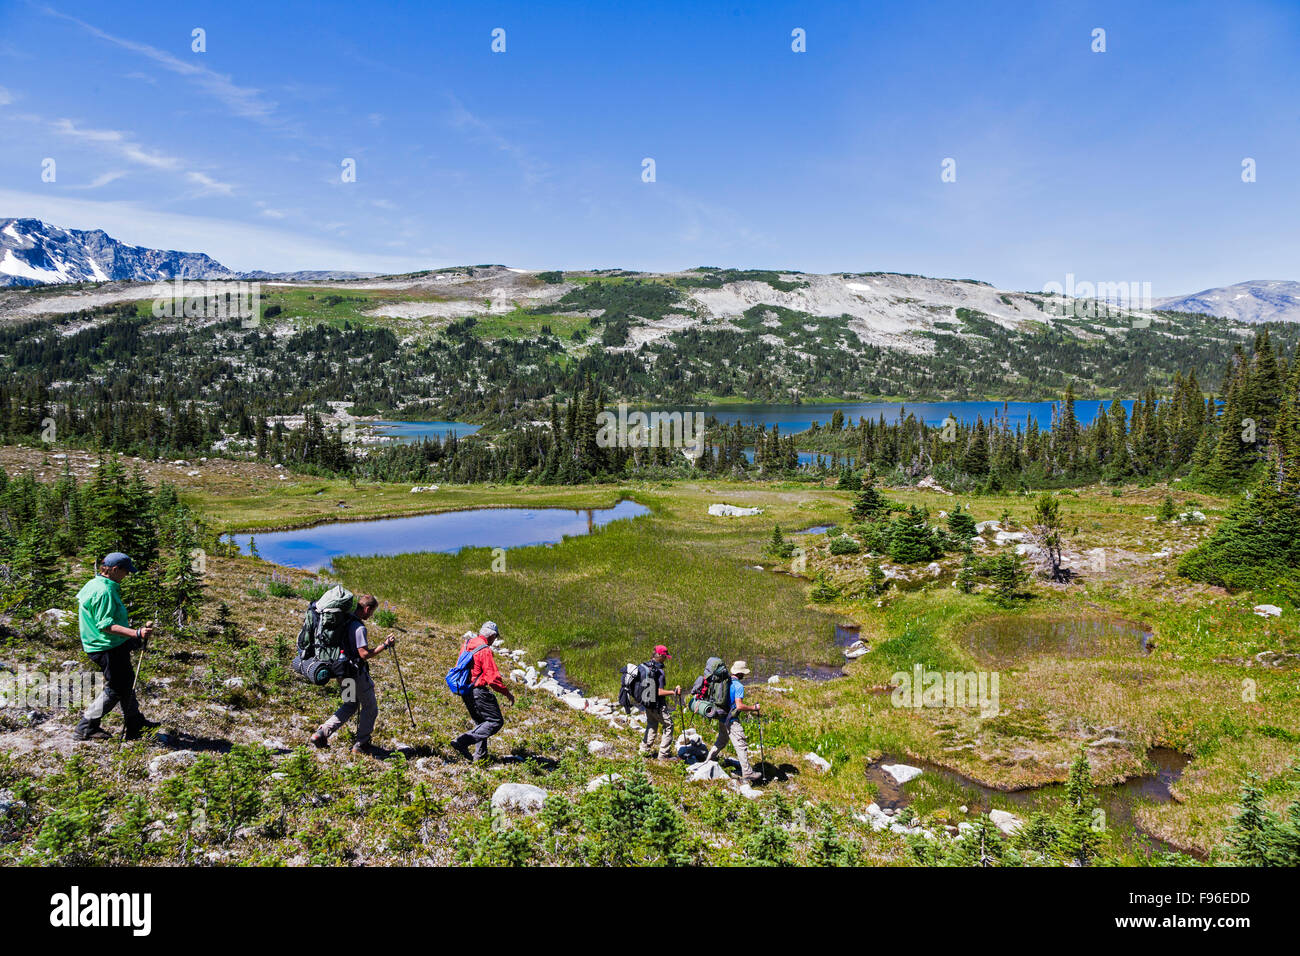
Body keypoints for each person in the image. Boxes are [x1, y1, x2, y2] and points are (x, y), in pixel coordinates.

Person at [74, 553, 159, 741]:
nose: (127, 575)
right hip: (105, 647)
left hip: (109, 644)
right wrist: (136, 633)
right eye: (125, 571)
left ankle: (135, 723)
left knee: (127, 681)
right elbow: (105, 625)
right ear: (114, 569)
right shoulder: (104, 591)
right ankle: (86, 727)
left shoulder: (95, 584)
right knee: (116, 688)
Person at [309, 594, 394, 755]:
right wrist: (385, 645)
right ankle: (361, 744)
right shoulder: (359, 627)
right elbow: (364, 654)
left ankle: (321, 733)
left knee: (349, 704)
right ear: (367, 609)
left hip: (341, 671)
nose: (371, 615)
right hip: (356, 674)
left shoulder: (344, 620)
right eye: (372, 612)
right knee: (370, 707)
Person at [449, 621, 514, 762]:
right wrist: (507, 693)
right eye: (495, 637)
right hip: (479, 692)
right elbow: (493, 679)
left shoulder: (466, 645)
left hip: (466, 690)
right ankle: (462, 741)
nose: (494, 640)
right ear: (492, 636)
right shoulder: (484, 650)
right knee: (495, 721)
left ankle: (480, 757)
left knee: (481, 723)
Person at [705, 660, 761, 781]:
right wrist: (753, 708)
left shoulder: (725, 681)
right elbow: (739, 706)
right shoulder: (739, 686)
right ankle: (747, 773)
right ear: (741, 673)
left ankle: (709, 760)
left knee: (722, 740)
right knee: (741, 745)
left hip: (721, 717)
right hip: (732, 720)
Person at [639, 644, 681, 760]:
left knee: (652, 724)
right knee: (669, 725)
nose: (665, 659)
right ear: (659, 656)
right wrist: (673, 692)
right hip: (658, 705)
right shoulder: (659, 672)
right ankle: (663, 755)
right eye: (664, 656)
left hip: (647, 703)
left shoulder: (646, 667)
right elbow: (659, 691)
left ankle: (643, 750)